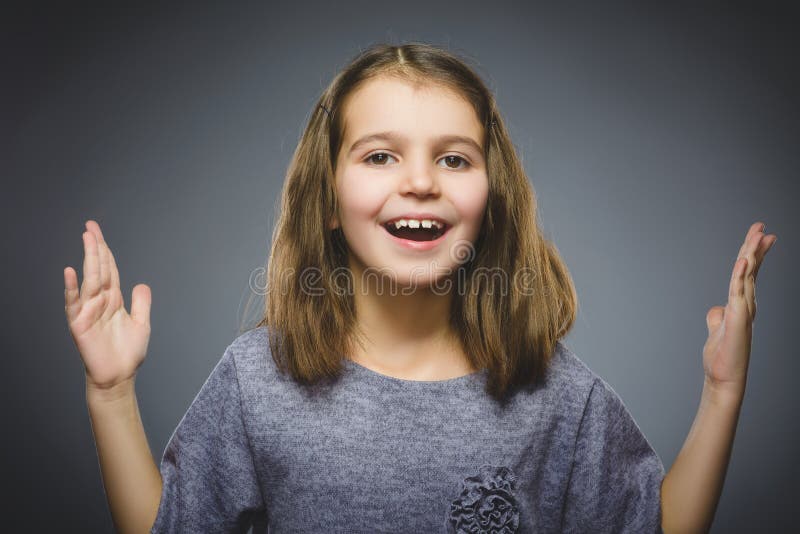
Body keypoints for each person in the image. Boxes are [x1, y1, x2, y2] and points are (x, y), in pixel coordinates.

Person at [63, 42, 777, 533]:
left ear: (490, 198)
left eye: (454, 159)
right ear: (330, 197)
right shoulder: (255, 382)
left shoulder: (555, 395)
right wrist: (112, 395)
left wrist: (722, 395)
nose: (420, 182)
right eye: (380, 154)